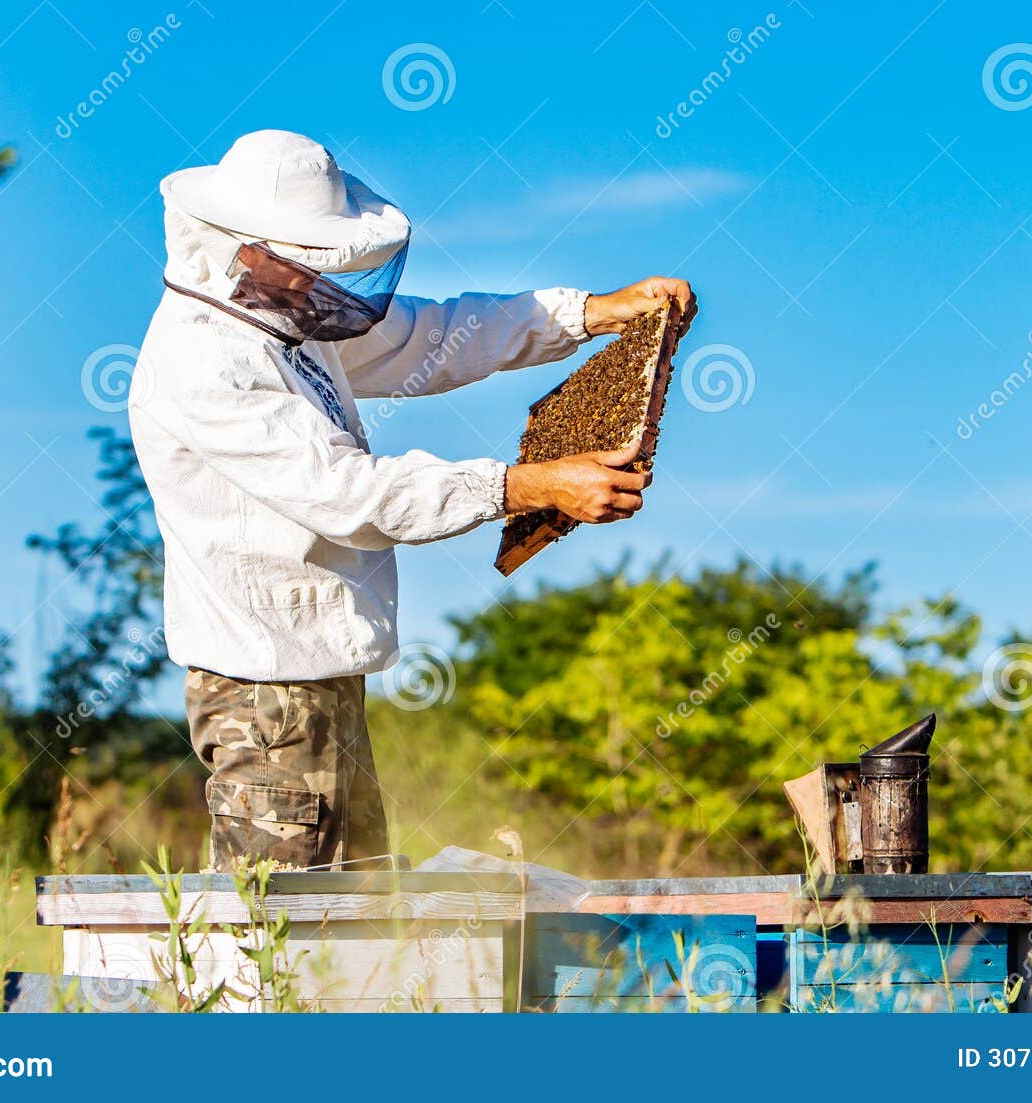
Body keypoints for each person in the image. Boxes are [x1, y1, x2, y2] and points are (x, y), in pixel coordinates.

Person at [128, 130, 696, 870]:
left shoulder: (283, 318)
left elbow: (429, 337)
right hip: (263, 698)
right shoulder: (209, 359)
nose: (326, 288)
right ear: (249, 250)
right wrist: (531, 484)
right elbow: (351, 496)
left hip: (322, 680)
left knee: (352, 933)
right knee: (276, 950)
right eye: (311, 265)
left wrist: (586, 312)